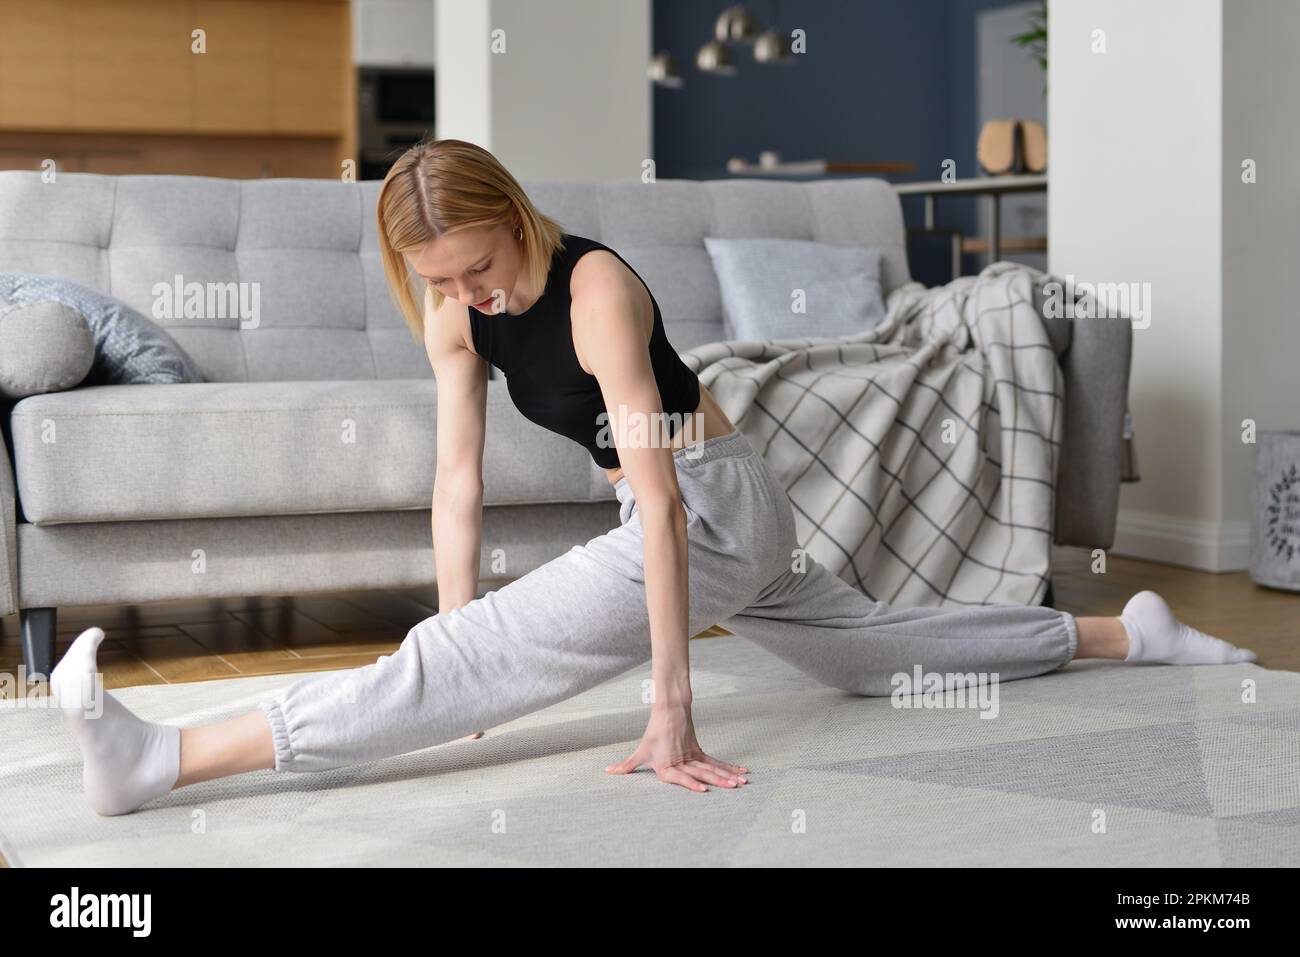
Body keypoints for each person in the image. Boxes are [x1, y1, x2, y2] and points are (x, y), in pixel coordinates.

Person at [50, 138, 1257, 816]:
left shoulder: (596, 292)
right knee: (882, 657)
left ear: (514, 217)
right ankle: (1120, 635)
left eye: (477, 267)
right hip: (697, 506)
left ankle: (168, 759)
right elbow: (456, 483)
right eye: (439, 279)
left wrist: (667, 701)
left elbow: (666, 504)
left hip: (711, 498)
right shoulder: (452, 311)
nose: (468, 296)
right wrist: (460, 611)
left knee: (457, 668)